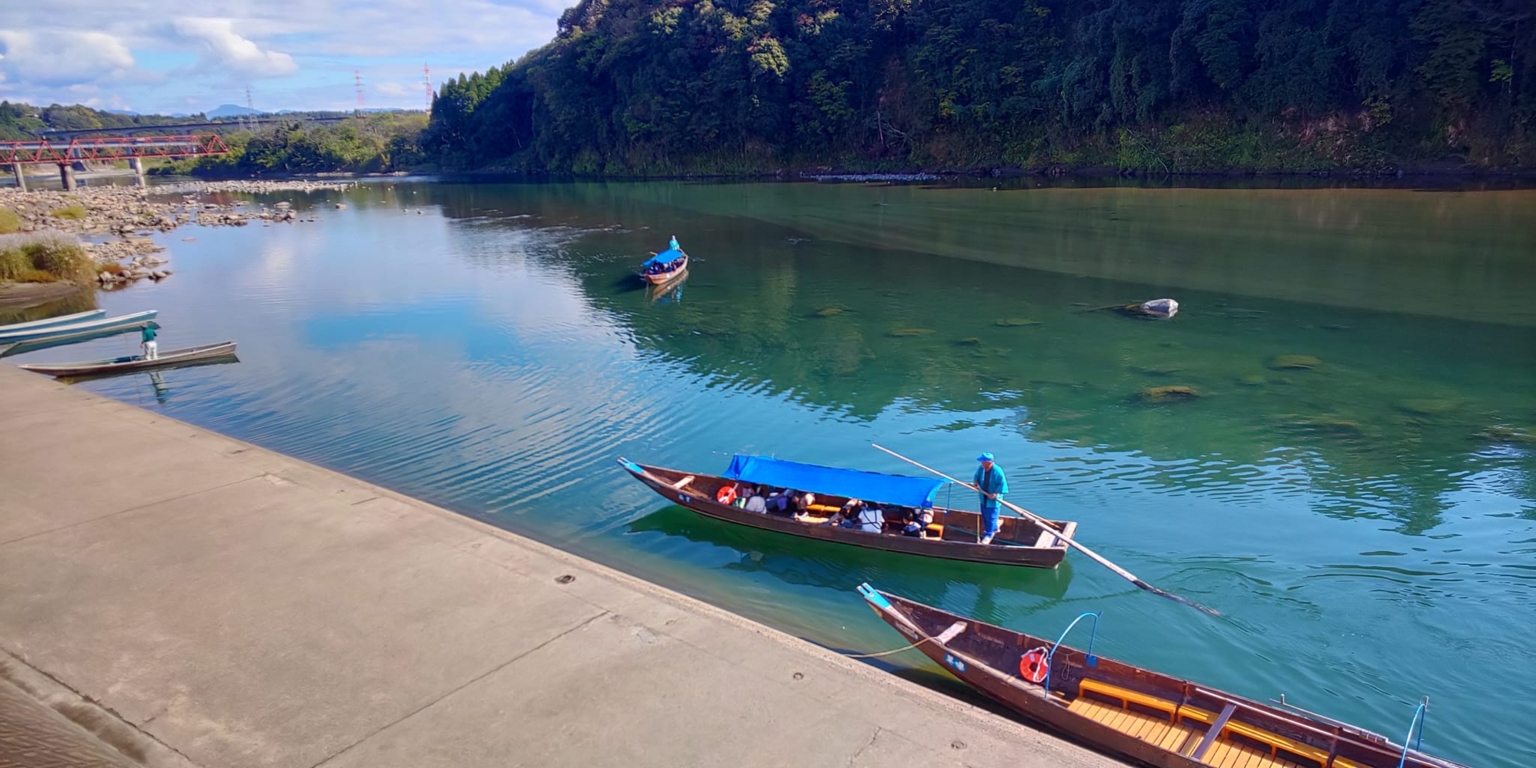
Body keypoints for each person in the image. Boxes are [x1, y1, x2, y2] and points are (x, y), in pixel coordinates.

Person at [974, 452, 1008, 544]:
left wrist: (994, 493)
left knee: (992, 516)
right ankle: (994, 528)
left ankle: (989, 534)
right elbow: (976, 476)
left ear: (988, 462)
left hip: (993, 498)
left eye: (983, 461)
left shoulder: (997, 471)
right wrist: (976, 483)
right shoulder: (982, 468)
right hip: (983, 496)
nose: (981, 463)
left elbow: (1002, 484)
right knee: (985, 514)